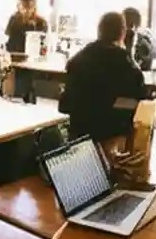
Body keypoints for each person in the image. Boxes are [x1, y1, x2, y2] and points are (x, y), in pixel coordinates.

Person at [60, 12, 148, 142]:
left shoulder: (79, 59)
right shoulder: (126, 63)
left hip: (79, 130)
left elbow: (66, 102)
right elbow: (140, 98)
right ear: (122, 33)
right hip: (110, 133)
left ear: (99, 31)